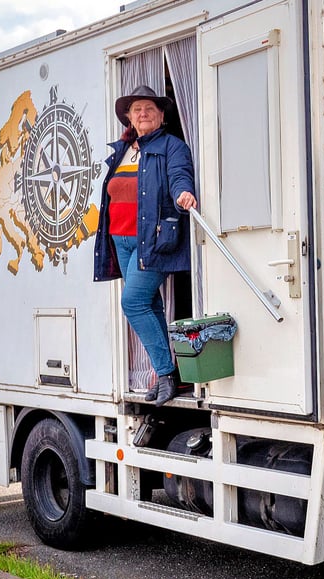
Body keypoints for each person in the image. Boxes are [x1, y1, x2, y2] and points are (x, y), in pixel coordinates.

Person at [93, 85, 197, 406]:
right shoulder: (123, 150)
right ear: (129, 117)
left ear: (161, 115)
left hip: (151, 240)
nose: (143, 114)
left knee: (133, 302)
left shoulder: (172, 147)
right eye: (137, 109)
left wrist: (183, 194)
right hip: (120, 240)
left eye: (149, 109)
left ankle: (166, 373)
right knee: (149, 304)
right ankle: (165, 374)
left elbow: (180, 176)